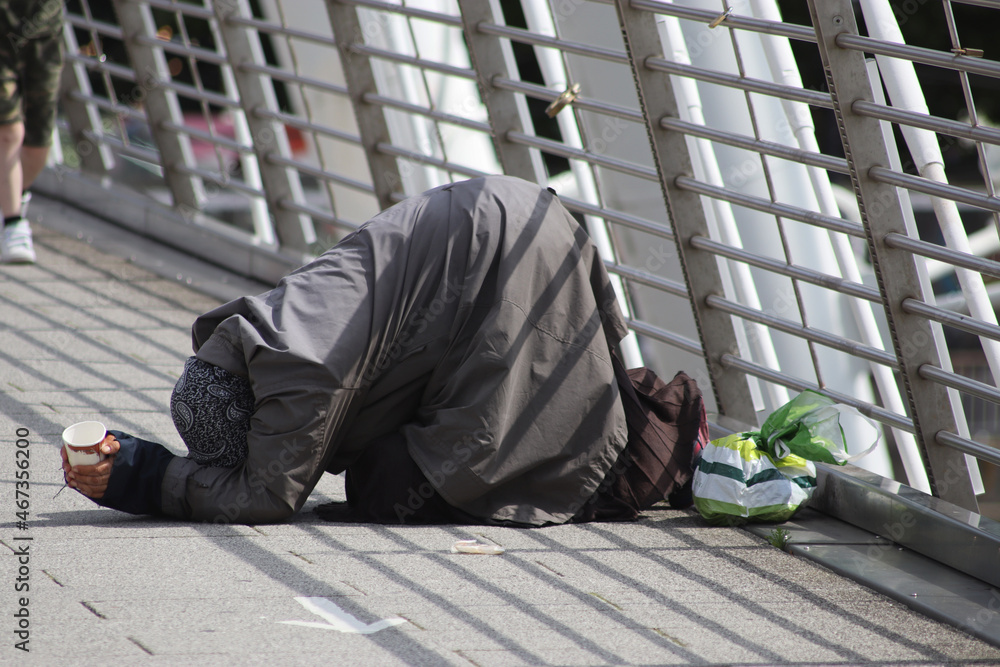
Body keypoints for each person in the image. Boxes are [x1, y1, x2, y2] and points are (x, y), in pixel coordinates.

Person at [62, 176, 706, 525]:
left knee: (392, 483)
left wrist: (144, 474)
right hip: (517, 210)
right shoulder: (264, 327)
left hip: (500, 267)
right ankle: (637, 430)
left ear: (256, 419)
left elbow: (265, 497)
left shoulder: (300, 374)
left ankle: (654, 450)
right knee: (554, 390)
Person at [0, 0, 65, 264]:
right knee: (9, 129)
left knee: (38, 140)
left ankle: (10, 199)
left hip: (44, 23)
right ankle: (14, 221)